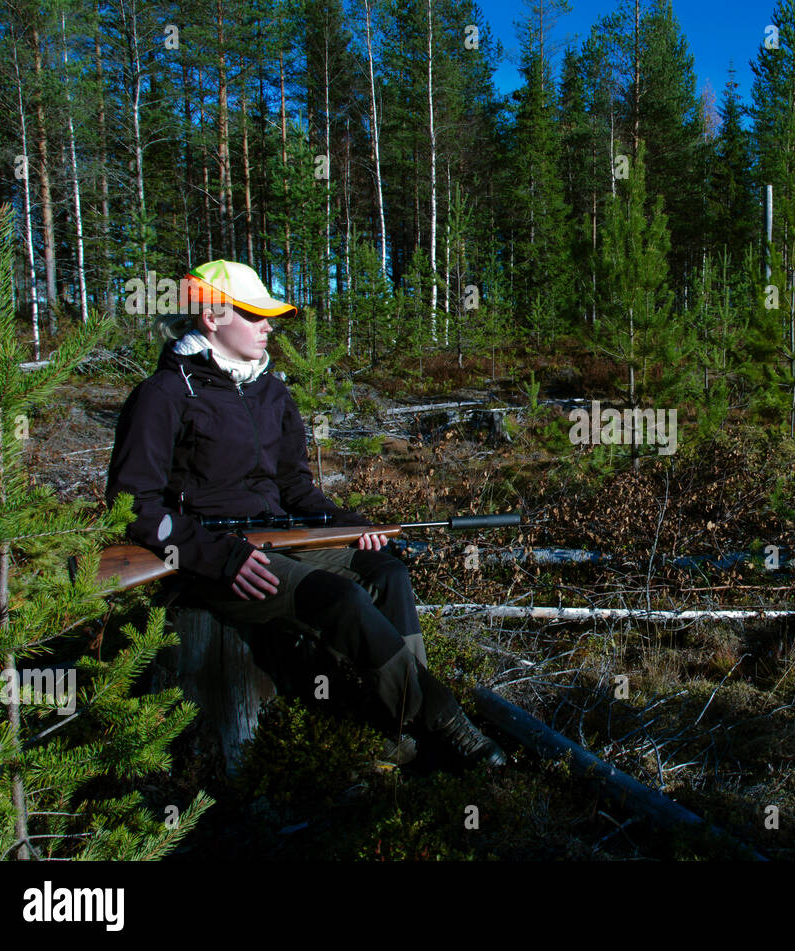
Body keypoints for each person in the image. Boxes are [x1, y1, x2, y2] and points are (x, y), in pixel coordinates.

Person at [105, 259, 505, 767]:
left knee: (387, 571)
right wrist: (217, 558)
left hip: (279, 543)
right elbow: (133, 505)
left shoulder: (271, 391)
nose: (268, 326)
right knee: (337, 598)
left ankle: (399, 731)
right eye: (254, 315)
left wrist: (349, 526)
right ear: (212, 317)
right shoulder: (162, 395)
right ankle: (444, 722)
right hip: (212, 562)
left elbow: (295, 488)